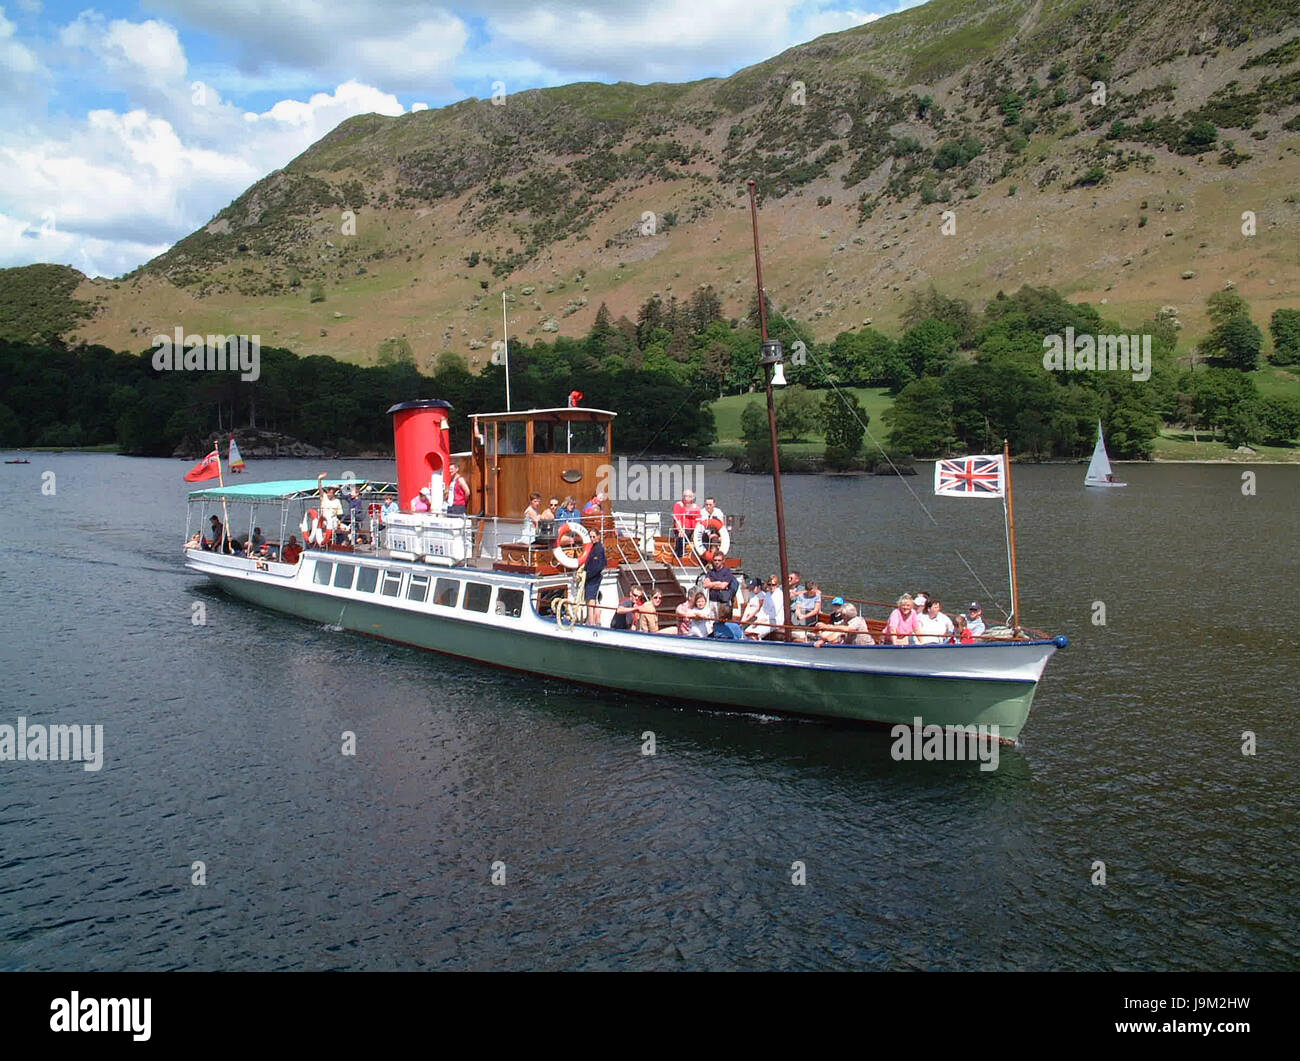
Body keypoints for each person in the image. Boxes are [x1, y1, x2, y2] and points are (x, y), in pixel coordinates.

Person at [701, 552, 738, 621]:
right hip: (711, 601)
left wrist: (711, 584)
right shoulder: (710, 572)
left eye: (719, 560)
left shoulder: (727, 571)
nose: (717, 562)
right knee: (711, 622)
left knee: (722, 621)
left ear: (723, 561)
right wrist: (718, 583)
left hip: (723, 602)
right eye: (715, 560)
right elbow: (705, 584)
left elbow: (723, 586)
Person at [583, 537, 607, 625]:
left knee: (591, 601)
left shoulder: (598, 549)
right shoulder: (595, 547)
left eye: (593, 536)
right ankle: (596, 621)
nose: (592, 538)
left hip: (593, 579)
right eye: (590, 536)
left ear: (598, 536)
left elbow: (600, 564)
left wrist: (588, 575)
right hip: (594, 578)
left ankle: (591, 623)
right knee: (594, 600)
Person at [671, 489, 700, 559]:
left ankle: (701, 558)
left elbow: (699, 520)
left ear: (693, 497)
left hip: (693, 529)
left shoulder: (696, 507)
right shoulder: (678, 505)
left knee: (704, 537)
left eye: (689, 496)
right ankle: (678, 557)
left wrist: (697, 531)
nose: (687, 498)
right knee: (681, 537)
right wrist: (680, 530)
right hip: (682, 529)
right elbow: (677, 519)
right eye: (685, 496)